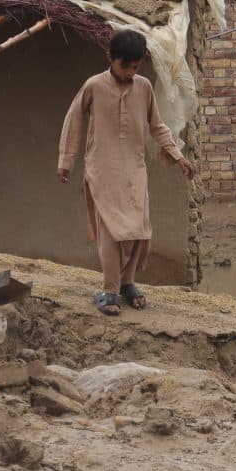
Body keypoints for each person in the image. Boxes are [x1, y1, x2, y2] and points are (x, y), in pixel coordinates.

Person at [57, 29, 195, 315]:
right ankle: (109, 289)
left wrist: (178, 156)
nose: (130, 72)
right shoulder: (94, 86)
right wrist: (65, 161)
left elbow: (157, 125)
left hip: (134, 168)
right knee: (111, 231)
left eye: (136, 67)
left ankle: (127, 282)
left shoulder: (143, 87)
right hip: (102, 169)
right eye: (125, 66)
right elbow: (73, 119)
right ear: (110, 57)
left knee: (139, 230)